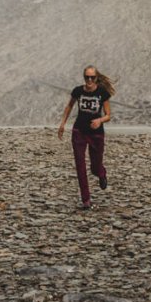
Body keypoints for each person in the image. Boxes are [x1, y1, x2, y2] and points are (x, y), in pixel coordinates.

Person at [57, 65, 114, 210]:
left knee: (95, 167)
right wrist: (62, 124)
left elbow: (108, 115)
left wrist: (99, 120)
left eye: (92, 77)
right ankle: (86, 200)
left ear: (96, 78)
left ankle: (101, 173)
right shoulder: (78, 91)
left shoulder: (102, 93)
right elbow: (69, 107)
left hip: (96, 134)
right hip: (79, 132)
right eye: (86, 77)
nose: (89, 80)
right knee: (80, 166)